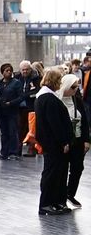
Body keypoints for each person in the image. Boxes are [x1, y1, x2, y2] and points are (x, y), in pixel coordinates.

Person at [35, 68, 73, 215]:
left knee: (58, 172)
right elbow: (54, 123)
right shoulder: (49, 99)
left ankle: (56, 202)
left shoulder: (43, 96)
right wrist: (64, 141)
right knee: (52, 173)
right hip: (53, 143)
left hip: (50, 142)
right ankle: (47, 203)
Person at [63, 71, 87, 208]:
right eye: (72, 87)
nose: (75, 90)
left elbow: (84, 121)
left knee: (78, 167)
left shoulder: (77, 100)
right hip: (64, 141)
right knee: (62, 169)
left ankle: (70, 193)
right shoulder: (58, 100)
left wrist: (86, 140)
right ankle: (61, 195)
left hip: (77, 139)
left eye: (77, 87)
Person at [0, 63, 26, 160]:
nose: (9, 72)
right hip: (1, 111)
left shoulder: (16, 83)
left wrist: (11, 103)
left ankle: (13, 152)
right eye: (6, 71)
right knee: (4, 132)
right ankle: (4, 152)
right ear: (2, 72)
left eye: (10, 71)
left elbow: (21, 97)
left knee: (13, 131)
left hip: (12, 111)